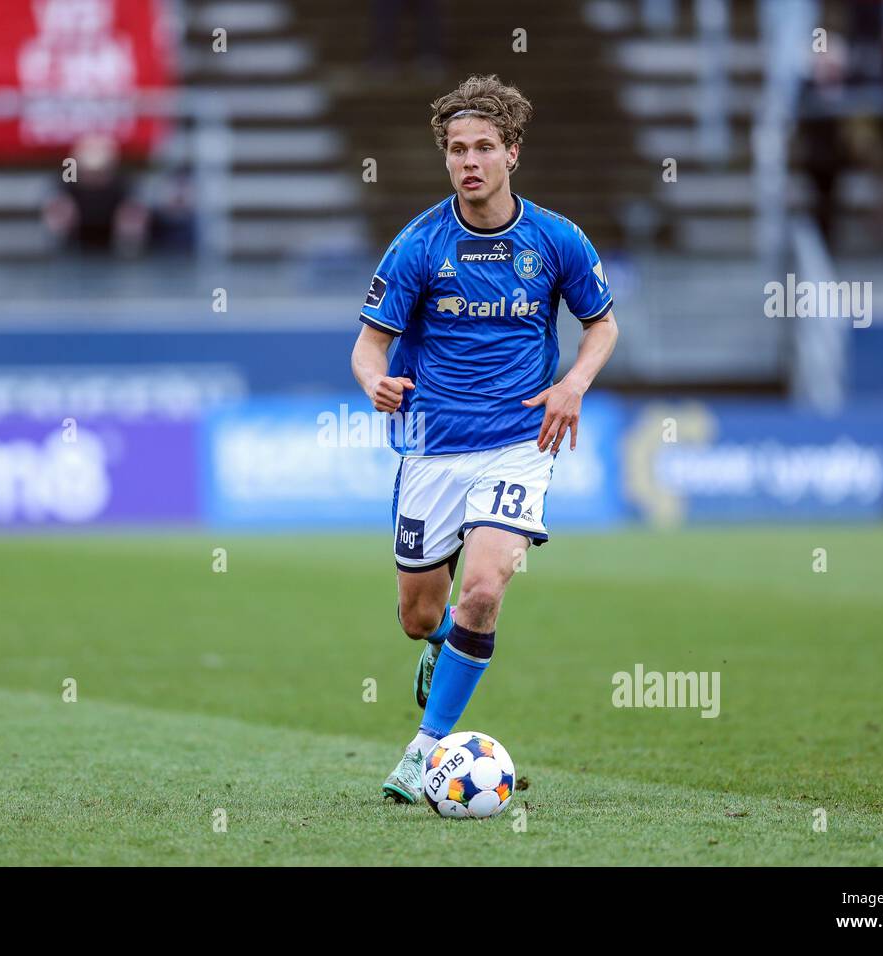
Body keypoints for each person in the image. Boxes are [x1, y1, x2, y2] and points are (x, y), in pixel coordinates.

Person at [349, 74, 619, 803]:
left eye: (484, 148)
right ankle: (441, 653)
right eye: (457, 149)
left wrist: (573, 385)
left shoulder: (556, 239)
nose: (469, 161)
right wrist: (374, 381)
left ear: (512, 154)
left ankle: (424, 748)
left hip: (519, 441)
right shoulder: (418, 244)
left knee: (487, 587)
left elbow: (603, 325)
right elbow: (368, 345)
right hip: (434, 448)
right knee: (419, 617)